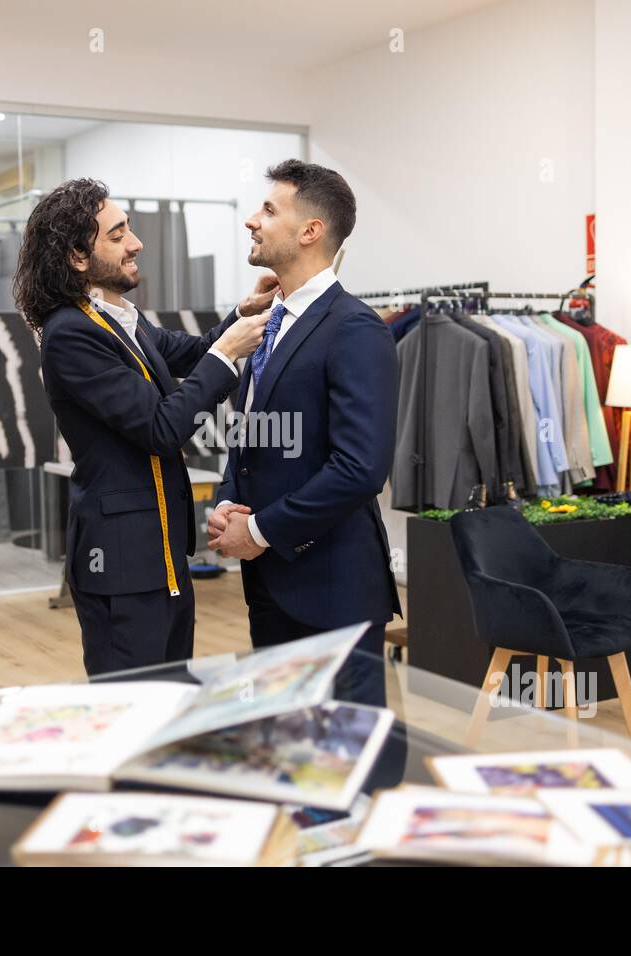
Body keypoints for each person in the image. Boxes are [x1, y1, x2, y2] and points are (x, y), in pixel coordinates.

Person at [15, 178, 277, 675]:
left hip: (158, 553)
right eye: (117, 235)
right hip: (123, 564)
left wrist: (241, 316)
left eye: (129, 229)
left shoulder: (113, 318)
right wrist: (228, 352)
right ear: (76, 256)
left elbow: (193, 353)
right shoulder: (71, 334)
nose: (136, 244)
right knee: (134, 710)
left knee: (172, 693)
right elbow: (161, 428)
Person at [208, 160, 400, 705]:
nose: (252, 220)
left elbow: (360, 468)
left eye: (269, 210)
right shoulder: (268, 324)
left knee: (342, 759)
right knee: (282, 747)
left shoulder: (355, 328)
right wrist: (229, 502)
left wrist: (262, 530)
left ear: (310, 231)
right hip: (270, 585)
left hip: (331, 589)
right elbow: (254, 436)